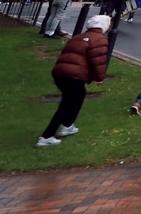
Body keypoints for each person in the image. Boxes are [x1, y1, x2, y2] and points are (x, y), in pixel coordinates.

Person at [39, 13, 110, 146]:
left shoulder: (78, 37)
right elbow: (98, 60)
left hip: (60, 73)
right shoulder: (100, 39)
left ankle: (68, 125)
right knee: (67, 103)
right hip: (74, 76)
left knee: (79, 95)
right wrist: (99, 78)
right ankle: (46, 136)